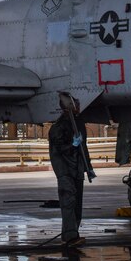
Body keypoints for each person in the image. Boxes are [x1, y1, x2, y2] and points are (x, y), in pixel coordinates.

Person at [48, 92, 93, 248]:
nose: (79, 107)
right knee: (68, 203)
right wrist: (72, 145)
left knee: (76, 205)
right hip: (65, 170)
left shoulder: (78, 124)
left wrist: (89, 168)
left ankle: (71, 234)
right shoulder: (58, 127)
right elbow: (59, 149)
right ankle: (70, 237)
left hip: (77, 169)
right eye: (76, 104)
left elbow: (83, 148)